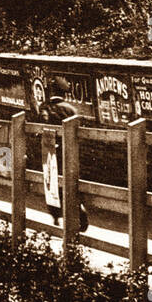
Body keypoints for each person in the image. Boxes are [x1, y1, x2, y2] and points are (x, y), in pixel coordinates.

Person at [44, 89, 90, 232]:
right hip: (73, 151)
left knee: (54, 183)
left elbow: (46, 127)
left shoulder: (50, 109)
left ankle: (57, 216)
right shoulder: (72, 109)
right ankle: (80, 214)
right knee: (73, 183)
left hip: (55, 151)